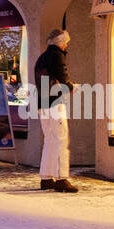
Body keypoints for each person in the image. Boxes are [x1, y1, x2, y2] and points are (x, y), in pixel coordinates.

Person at [34, 28, 77, 192]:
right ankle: (61, 178)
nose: (66, 46)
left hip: (42, 104)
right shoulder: (57, 55)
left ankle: (46, 178)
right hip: (54, 103)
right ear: (60, 43)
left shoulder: (42, 57)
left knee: (50, 140)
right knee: (60, 140)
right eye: (65, 43)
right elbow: (63, 77)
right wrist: (72, 87)